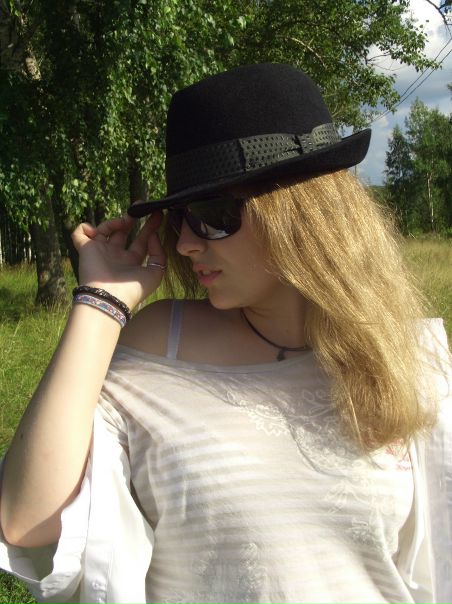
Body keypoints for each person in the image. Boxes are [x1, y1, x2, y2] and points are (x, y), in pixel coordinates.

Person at [0, 63, 451, 604]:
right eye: (180, 218)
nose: (186, 244)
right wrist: (100, 302)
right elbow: (26, 520)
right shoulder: (161, 348)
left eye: (213, 214)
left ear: (301, 215)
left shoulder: (405, 356)